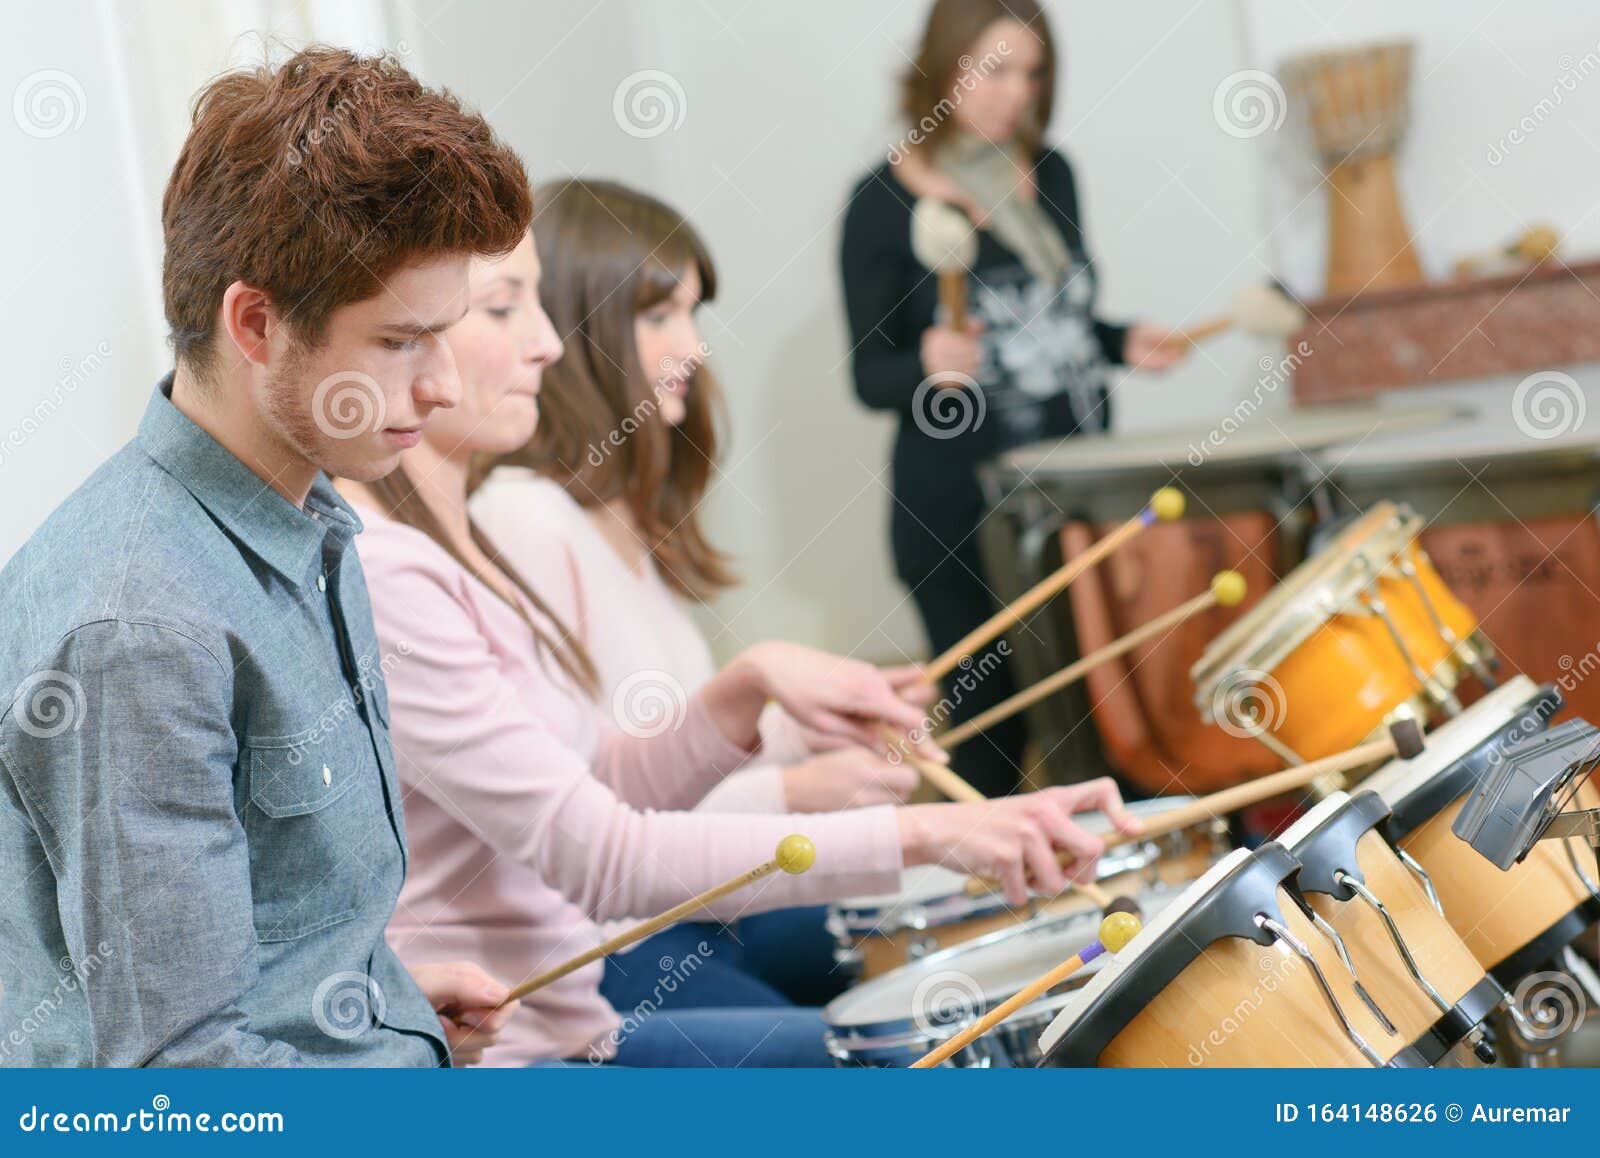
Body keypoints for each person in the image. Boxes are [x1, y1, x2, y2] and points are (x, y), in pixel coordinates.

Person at [344, 228, 1143, 1067]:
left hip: (577, 1023)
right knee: (932, 1063)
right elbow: (605, 856)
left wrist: (750, 690)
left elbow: (594, 790)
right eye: (504, 307)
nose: (547, 343)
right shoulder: (399, 566)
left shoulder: (452, 544)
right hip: (543, 1048)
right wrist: (926, 833)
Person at [0, 47, 531, 1067]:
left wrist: (387, 1004)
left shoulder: (309, 517)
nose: (439, 389)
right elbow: (186, 1088)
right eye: (398, 343)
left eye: (446, 336)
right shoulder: (139, 629)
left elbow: (252, 939)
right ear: (256, 322)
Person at [471, 178, 913, 1012]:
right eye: (661, 315)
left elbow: (672, 754)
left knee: (912, 943)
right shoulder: (525, 520)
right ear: (584, 325)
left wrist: (813, 726)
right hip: (609, 951)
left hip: (684, 916)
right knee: (854, 1055)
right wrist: (796, 793)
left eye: (695, 314)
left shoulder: (618, 519)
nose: (695, 347)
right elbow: (588, 823)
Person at [840, 0, 1185, 798]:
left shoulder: (1051, 172)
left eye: (1030, 74)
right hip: (959, 519)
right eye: (993, 70)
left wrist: (1117, 340)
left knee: (1107, 724)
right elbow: (868, 375)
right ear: (942, 69)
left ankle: (1154, 906)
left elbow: (1053, 322)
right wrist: (926, 361)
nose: (1015, 94)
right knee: (997, 740)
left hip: (1072, 507)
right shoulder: (883, 203)